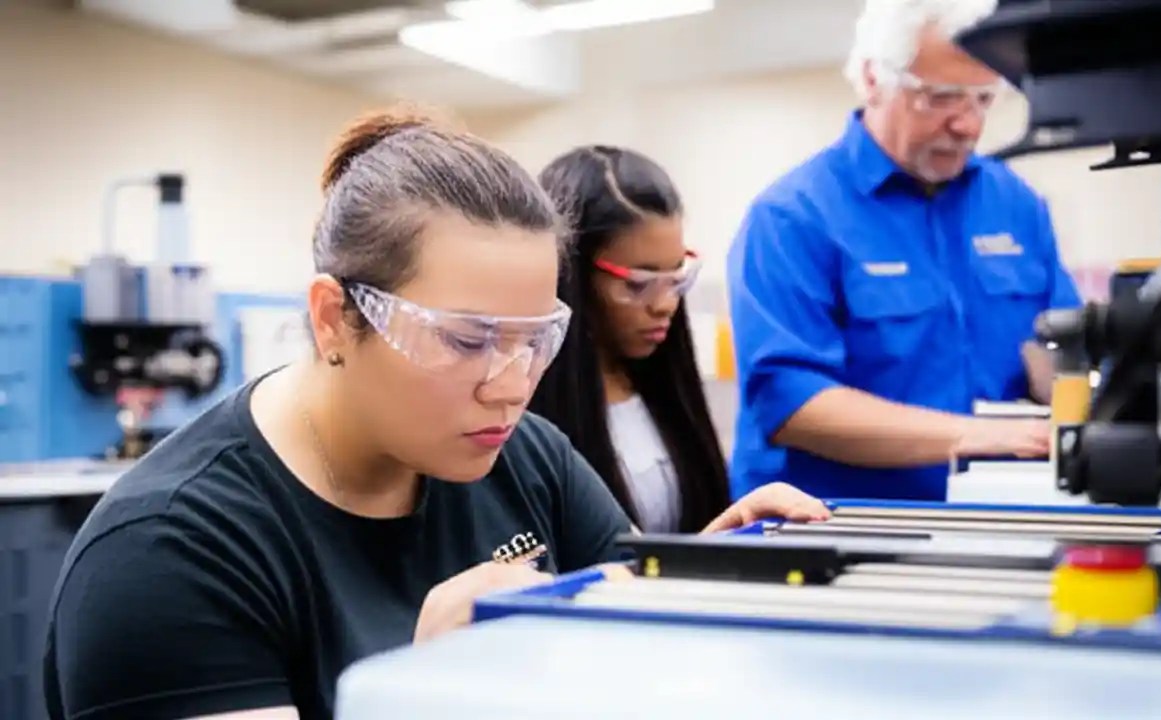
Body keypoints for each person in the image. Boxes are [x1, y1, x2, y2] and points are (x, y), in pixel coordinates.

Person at [44, 107, 829, 720]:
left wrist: (701, 580)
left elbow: (628, 641)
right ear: (332, 319)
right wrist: (420, 696)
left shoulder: (528, 457)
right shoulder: (167, 553)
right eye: (465, 339)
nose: (511, 385)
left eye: (536, 339)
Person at [726, 0, 1082, 503]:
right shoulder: (793, 216)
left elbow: (1060, 350)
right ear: (874, 79)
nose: (969, 126)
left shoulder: (1016, 204)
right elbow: (791, 405)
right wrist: (974, 435)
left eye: (984, 99)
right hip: (834, 527)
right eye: (941, 97)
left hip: (994, 514)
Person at [532, 145, 764, 533]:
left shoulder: (664, 391)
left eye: (676, 279)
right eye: (638, 283)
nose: (665, 305)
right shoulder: (528, 418)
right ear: (569, 273)